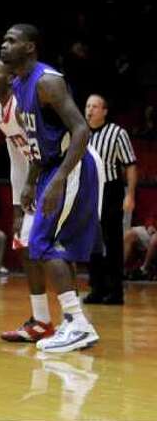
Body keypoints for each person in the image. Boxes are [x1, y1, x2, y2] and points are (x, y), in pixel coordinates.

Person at [0, 23, 104, 353]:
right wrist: (31, 182)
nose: (4, 45)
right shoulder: (18, 84)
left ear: (30, 47)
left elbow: (81, 130)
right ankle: (73, 322)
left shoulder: (48, 81)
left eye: (11, 41)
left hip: (71, 166)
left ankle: (77, 323)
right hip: (48, 168)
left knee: (42, 243)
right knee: (42, 244)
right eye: (4, 40)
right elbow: (35, 141)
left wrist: (59, 179)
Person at [0, 58, 54, 342]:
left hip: (59, 173)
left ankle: (66, 321)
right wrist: (16, 207)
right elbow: (18, 161)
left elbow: (42, 149)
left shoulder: (23, 106)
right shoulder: (1, 113)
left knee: (49, 249)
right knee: (26, 245)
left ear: (11, 77)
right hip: (37, 180)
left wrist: (30, 187)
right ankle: (43, 321)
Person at [84, 94, 139, 305]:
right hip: (88, 191)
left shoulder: (117, 133)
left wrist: (130, 194)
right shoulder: (82, 132)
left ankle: (115, 291)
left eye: (95, 106)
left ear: (104, 111)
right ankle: (97, 289)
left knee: (112, 242)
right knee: (92, 242)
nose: (90, 110)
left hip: (110, 190)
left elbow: (130, 164)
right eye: (87, 106)